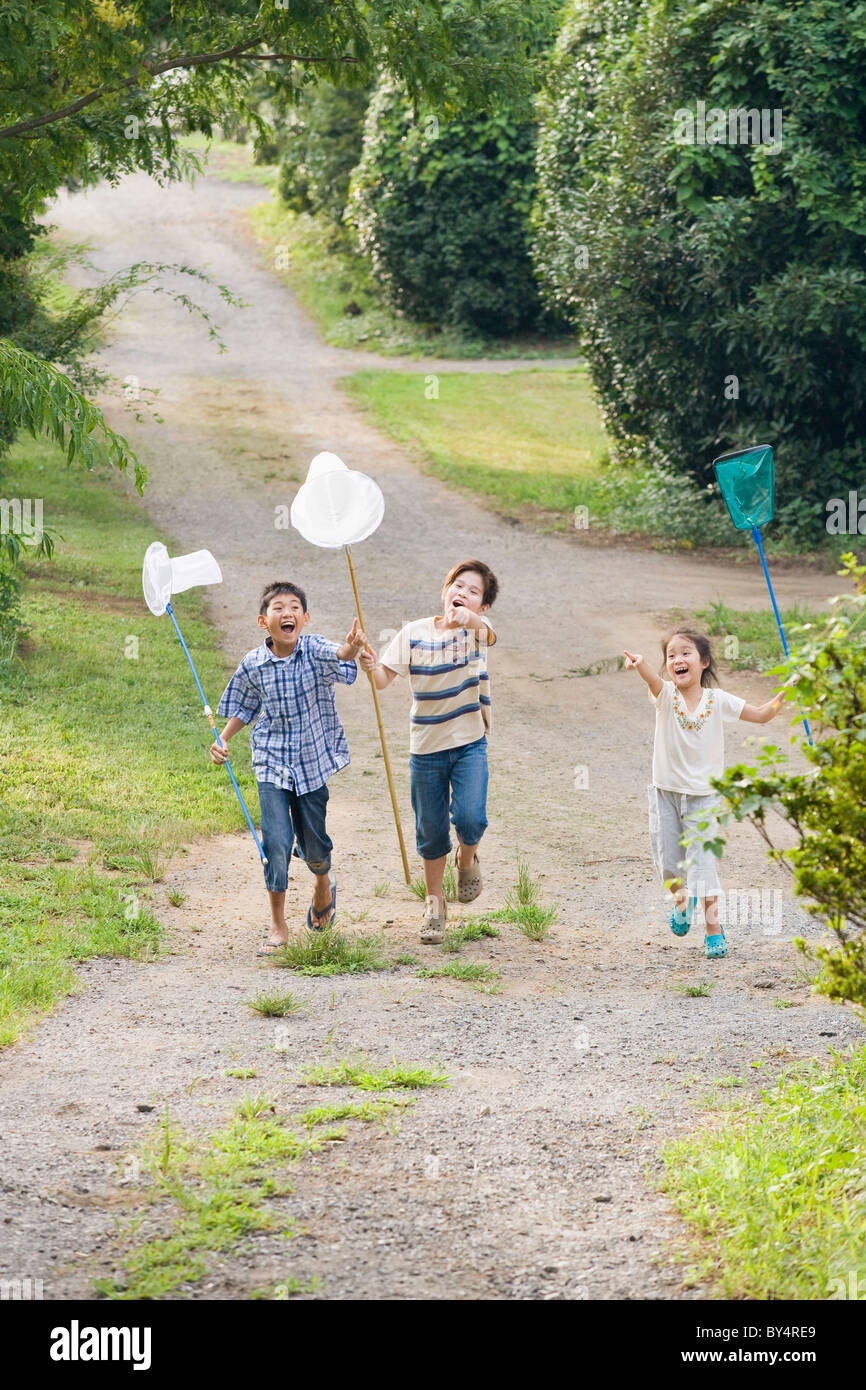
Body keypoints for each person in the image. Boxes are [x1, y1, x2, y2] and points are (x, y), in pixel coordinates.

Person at [210, 581, 367, 954]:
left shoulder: (314, 650)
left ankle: (322, 883)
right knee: (276, 843)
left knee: (314, 848)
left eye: (295, 607)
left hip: (311, 761)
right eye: (278, 608)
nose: (288, 613)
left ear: (305, 618)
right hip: (271, 760)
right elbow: (245, 707)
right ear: (264, 621)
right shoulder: (254, 664)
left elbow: (341, 655)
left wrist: (353, 647)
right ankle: (278, 926)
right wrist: (225, 740)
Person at [624, 626, 784, 959]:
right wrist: (641, 664)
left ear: (704, 662)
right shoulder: (665, 695)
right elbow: (652, 680)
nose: (677, 660)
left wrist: (789, 692)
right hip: (666, 792)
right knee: (669, 864)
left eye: (685, 653)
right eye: (671, 655)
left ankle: (713, 929)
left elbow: (762, 715)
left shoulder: (718, 700)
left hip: (704, 796)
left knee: (703, 865)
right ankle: (683, 902)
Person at [360, 560, 499, 944]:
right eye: (458, 585)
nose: (463, 593)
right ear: (444, 589)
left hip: (469, 743)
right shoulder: (413, 632)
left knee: (471, 818)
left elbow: (486, 633)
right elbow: (384, 679)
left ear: (482, 607)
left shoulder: (477, 632)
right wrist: (369, 662)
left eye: (474, 592)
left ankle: (466, 858)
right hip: (426, 749)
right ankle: (435, 903)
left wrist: (469, 620)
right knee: (431, 829)